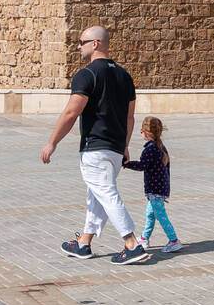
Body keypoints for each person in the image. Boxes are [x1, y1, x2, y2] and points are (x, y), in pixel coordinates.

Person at [40, 25, 150, 265]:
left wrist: (52, 142)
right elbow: (130, 117)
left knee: (106, 193)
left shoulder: (86, 74)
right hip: (114, 148)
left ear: (96, 44)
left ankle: (132, 244)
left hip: (95, 148)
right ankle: (84, 243)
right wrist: (124, 145)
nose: (79, 46)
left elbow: (71, 112)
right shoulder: (125, 76)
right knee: (97, 195)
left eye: (82, 41)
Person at [123, 116, 182, 253]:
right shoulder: (160, 147)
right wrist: (165, 191)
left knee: (161, 216)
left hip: (155, 190)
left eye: (142, 130)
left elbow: (142, 166)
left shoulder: (150, 149)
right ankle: (144, 238)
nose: (140, 132)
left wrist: (126, 164)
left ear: (146, 132)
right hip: (159, 189)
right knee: (151, 214)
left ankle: (174, 241)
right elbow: (167, 170)